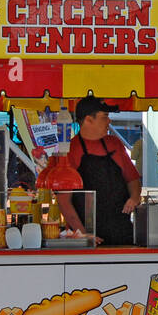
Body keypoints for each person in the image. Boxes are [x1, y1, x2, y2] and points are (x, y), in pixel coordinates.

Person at [59, 97, 141, 246]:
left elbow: (132, 178)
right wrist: (83, 234)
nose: (109, 121)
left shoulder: (115, 144)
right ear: (89, 120)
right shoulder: (70, 151)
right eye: (105, 117)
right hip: (87, 235)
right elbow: (64, 201)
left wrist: (135, 197)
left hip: (121, 231)